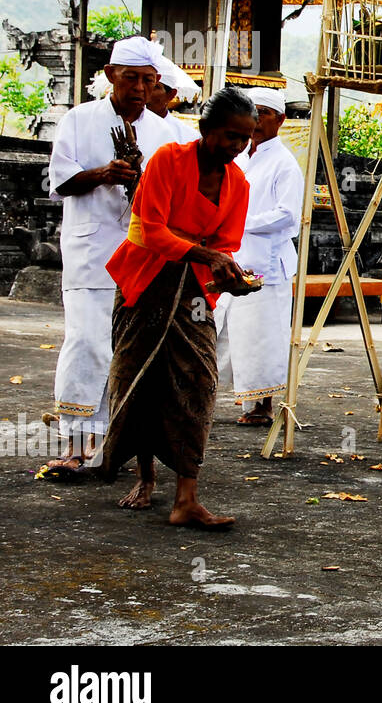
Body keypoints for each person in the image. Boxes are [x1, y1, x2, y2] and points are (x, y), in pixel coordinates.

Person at [99, 87, 254, 529]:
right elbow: (151, 231)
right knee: (141, 375)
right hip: (145, 279)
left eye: (244, 139)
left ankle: (187, 497)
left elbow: (227, 243)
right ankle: (145, 478)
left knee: (199, 381)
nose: (236, 147)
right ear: (205, 129)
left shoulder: (238, 183)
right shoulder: (168, 160)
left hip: (193, 291)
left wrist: (229, 275)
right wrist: (209, 257)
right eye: (229, 136)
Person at [41, 36, 171, 480]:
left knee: (131, 350)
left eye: (147, 81)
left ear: (156, 84)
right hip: (91, 250)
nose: (138, 88)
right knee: (87, 343)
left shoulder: (166, 133)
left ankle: (118, 445)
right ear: (111, 75)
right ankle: (78, 443)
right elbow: (60, 181)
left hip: (142, 254)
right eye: (130, 78)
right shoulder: (78, 120)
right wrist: (104, 174)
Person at [215, 86, 305, 427]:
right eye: (253, 112)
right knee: (228, 329)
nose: (256, 120)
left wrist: (242, 223)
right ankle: (225, 394)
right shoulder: (238, 158)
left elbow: (288, 216)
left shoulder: (284, 164)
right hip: (235, 255)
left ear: (280, 120)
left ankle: (263, 404)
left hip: (268, 262)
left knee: (263, 333)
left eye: (263, 113)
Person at [147, 55, 201, 145]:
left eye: (155, 87)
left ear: (171, 95)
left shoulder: (187, 137)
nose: (143, 90)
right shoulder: (124, 125)